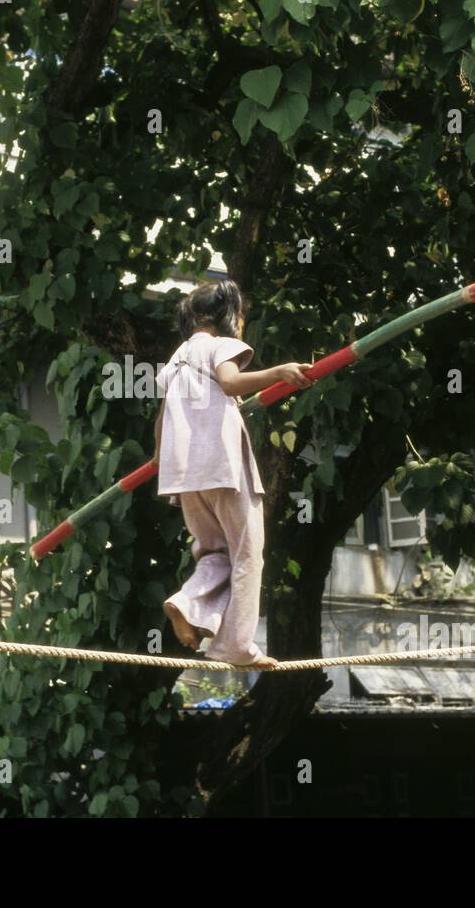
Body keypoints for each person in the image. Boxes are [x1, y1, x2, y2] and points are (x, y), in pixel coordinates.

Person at [153, 280, 313, 668]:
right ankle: (237, 645)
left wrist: (161, 458)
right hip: (222, 468)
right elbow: (230, 381)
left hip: (185, 477)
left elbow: (160, 424)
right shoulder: (221, 345)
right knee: (247, 555)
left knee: (214, 553)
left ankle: (186, 603)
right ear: (230, 317)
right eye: (241, 318)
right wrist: (280, 371)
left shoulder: (176, 360)